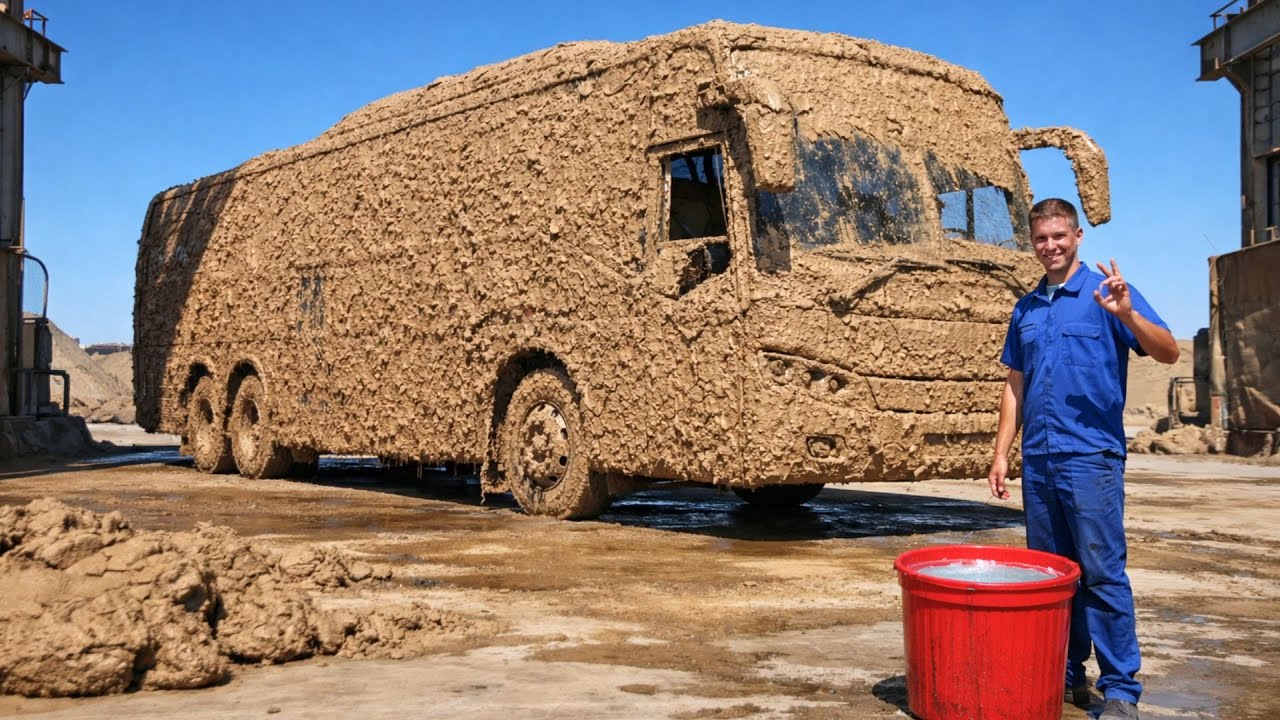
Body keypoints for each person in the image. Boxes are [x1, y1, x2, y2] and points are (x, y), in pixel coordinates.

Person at [987, 198, 1178, 720]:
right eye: (1041, 238)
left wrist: (1128, 314)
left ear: (1078, 237)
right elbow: (1015, 384)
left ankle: (1119, 690)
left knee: (1101, 573)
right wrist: (1002, 453)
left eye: (1060, 236)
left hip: (1091, 458)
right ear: (1033, 241)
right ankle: (1065, 674)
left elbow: (1167, 352)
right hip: (1041, 462)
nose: (1051, 246)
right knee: (1052, 575)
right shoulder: (1025, 308)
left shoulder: (1107, 295)